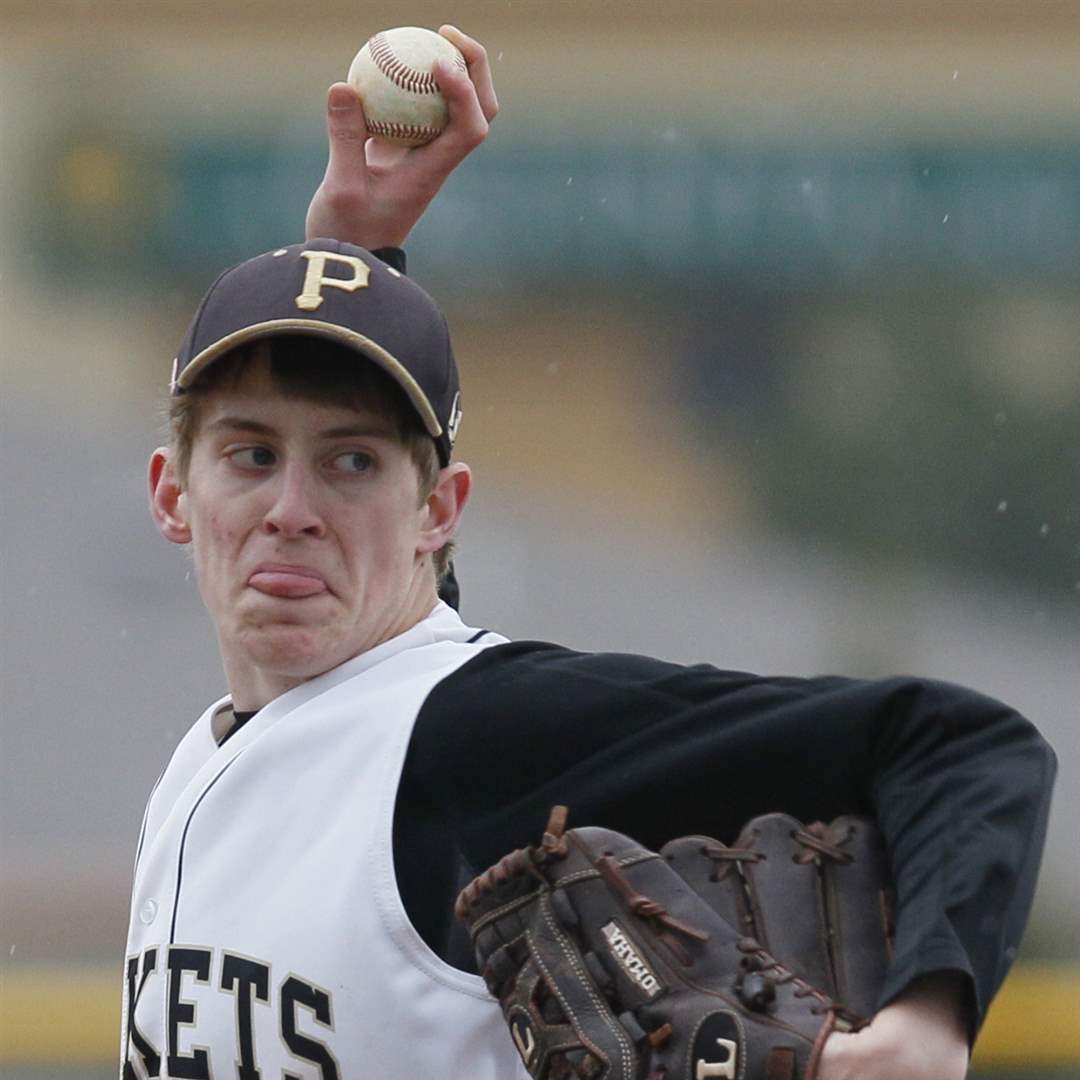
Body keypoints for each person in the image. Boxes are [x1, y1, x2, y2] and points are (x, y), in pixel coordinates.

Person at [121, 27, 1055, 1080]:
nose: (292, 507)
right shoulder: (207, 759)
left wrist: (923, 1026)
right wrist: (354, 260)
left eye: (351, 465)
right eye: (252, 454)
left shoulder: (479, 738)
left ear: (441, 512)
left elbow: (962, 747)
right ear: (173, 494)